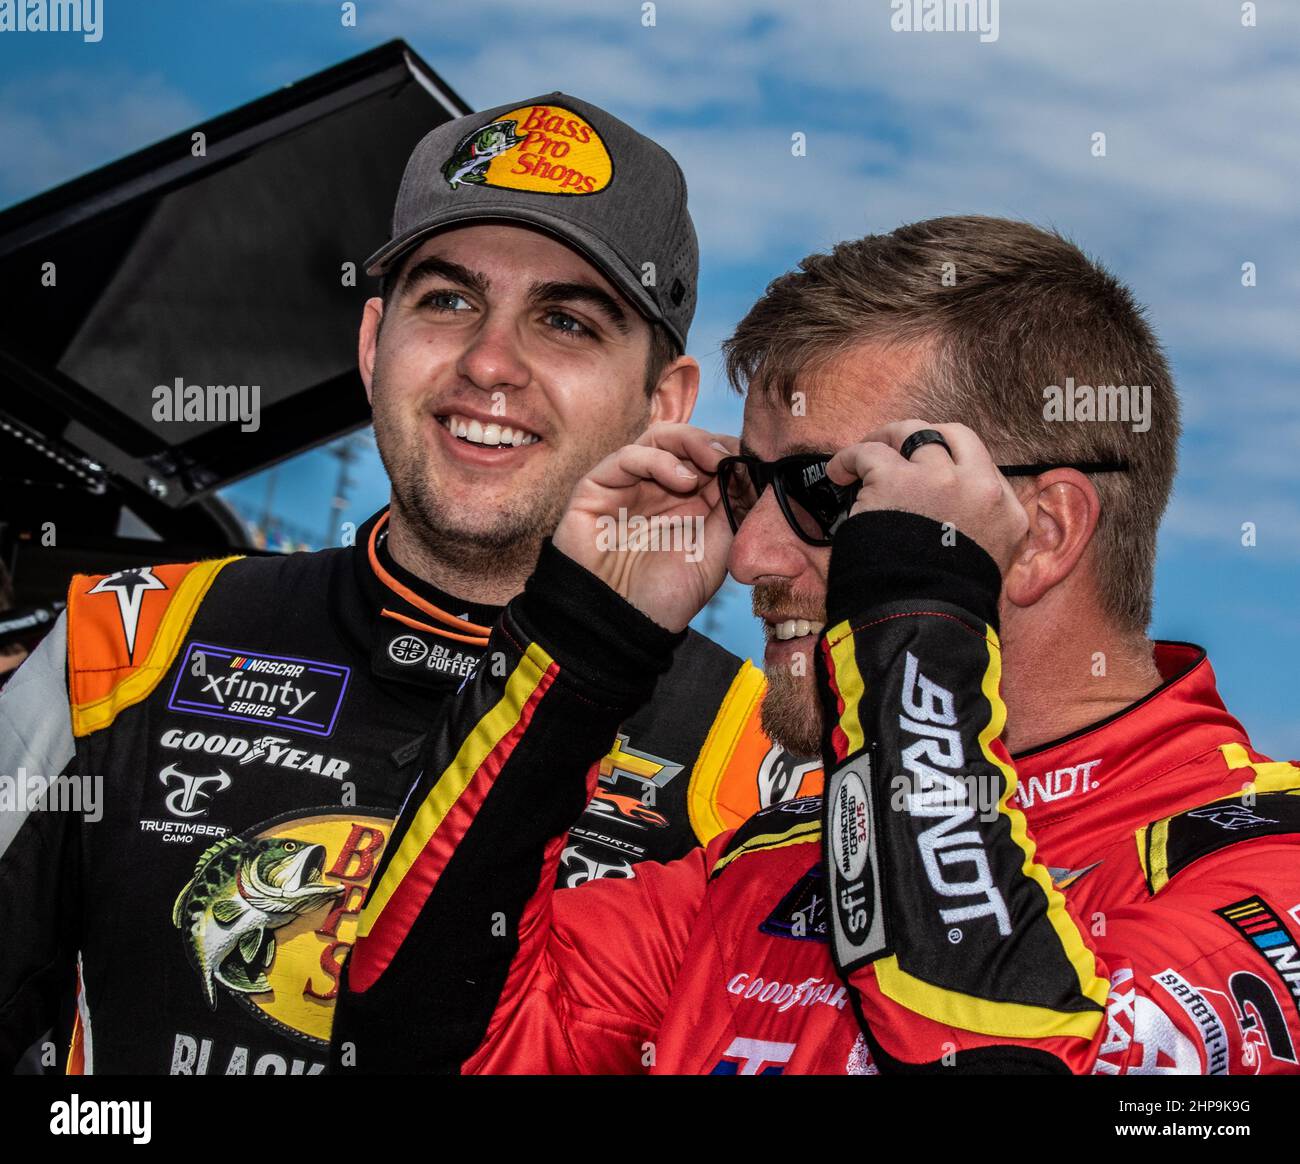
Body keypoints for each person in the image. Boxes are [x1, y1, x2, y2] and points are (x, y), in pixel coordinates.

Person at [332, 216, 1300, 1075]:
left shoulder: (1263, 867)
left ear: (1041, 534)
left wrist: (916, 617)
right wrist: (580, 644)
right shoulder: (768, 862)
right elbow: (417, 1040)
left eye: (828, 493)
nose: (749, 557)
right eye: (750, 489)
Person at [0, 93, 815, 1075]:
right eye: (448, 300)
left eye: (565, 320)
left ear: (665, 403)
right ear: (371, 342)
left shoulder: (760, 756)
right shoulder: (117, 646)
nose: (489, 362)